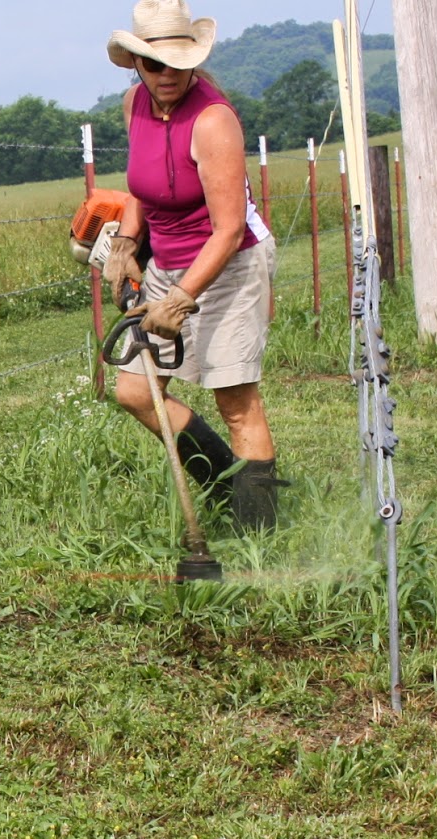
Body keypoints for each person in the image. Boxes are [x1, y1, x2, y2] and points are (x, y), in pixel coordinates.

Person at [104, 0, 282, 529]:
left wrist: (182, 298)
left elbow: (228, 229)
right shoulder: (134, 104)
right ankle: (230, 489)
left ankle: (258, 529)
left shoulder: (212, 120)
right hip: (167, 261)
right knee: (136, 391)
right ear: (137, 64)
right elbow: (144, 185)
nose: (167, 75)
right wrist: (126, 242)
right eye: (154, 64)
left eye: (178, 64)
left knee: (235, 402)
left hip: (229, 265)